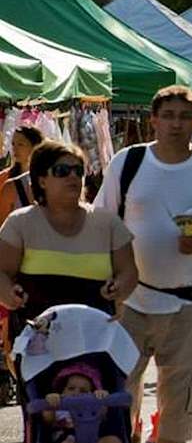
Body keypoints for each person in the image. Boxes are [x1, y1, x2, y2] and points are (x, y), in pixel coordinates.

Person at [94, 86, 192, 443]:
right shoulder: (127, 163)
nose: (176, 124)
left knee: (178, 406)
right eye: (168, 116)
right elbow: (102, 223)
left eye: (184, 117)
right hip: (129, 302)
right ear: (154, 121)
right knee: (118, 396)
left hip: (187, 303)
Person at [0, 140, 138, 332]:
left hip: (94, 339)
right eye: (62, 171)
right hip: (38, 342)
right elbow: (2, 273)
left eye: (78, 170)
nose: (73, 176)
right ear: (42, 180)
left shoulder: (108, 223)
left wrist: (120, 286)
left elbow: (129, 272)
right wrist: (8, 293)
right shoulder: (20, 223)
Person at [43, 363, 128, 443]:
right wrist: (50, 403)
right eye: (71, 388)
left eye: (83, 391)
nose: (76, 393)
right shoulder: (60, 405)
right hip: (67, 440)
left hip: (93, 440)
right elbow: (48, 420)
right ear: (62, 391)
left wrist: (102, 399)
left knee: (114, 442)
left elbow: (103, 415)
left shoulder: (92, 406)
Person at [0, 126, 45, 223]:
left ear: (35, 147)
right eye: (13, 144)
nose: (15, 149)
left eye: (21, 144)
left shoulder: (47, 178)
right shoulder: (3, 178)